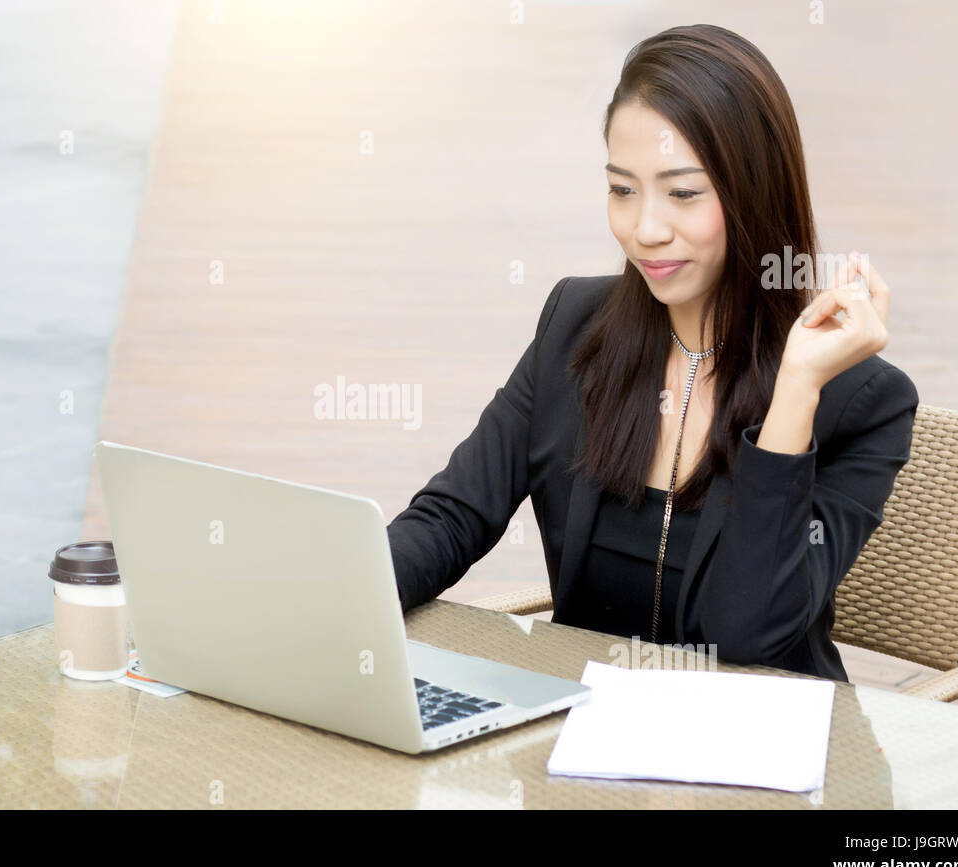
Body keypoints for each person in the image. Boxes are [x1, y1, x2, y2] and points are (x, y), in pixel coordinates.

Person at [385, 24, 918, 681]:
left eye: (684, 193)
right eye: (622, 189)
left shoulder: (861, 402)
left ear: (754, 190)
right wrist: (337, 593)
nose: (646, 229)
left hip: (765, 760)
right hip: (580, 745)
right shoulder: (574, 327)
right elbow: (451, 519)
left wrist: (797, 391)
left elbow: (747, 638)